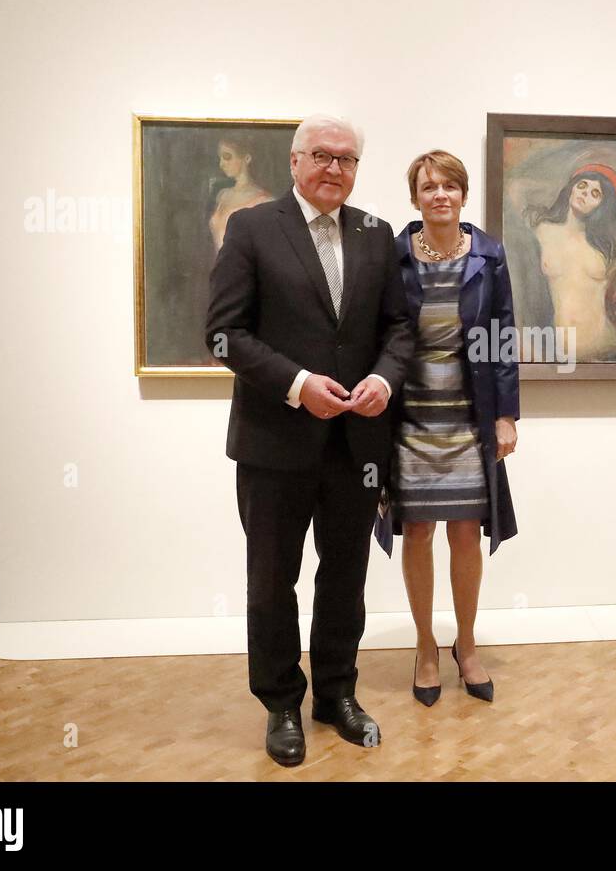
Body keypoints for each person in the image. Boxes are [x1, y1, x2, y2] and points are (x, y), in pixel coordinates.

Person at [205, 113, 414, 767]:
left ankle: (336, 695)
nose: (334, 168)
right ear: (295, 162)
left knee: (345, 575)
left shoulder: (378, 236)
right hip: (275, 443)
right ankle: (280, 704)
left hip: (358, 446)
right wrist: (297, 383)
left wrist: (385, 376)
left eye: (347, 159)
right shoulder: (251, 227)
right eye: (322, 155)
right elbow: (223, 334)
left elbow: (401, 328)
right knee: (273, 580)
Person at [375, 150, 520, 706]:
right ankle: (425, 646)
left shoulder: (490, 254)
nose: (440, 194)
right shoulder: (394, 257)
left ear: (463, 194)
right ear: (415, 197)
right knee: (416, 531)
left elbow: (504, 336)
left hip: (469, 416)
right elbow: (380, 332)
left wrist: (507, 413)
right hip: (410, 417)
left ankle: (467, 644)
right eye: (428, 186)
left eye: (449, 186)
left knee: (465, 531)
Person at [525, 165, 616, 359]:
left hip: (602, 348)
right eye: (582, 185)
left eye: (595, 193)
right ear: (571, 188)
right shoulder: (542, 231)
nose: (585, 194)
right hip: (554, 350)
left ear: (604, 205)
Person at [208, 135, 274, 253]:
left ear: (247, 158)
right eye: (220, 158)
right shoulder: (222, 196)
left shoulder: (265, 201)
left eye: (227, 157)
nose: (221, 164)